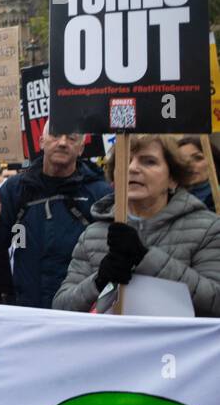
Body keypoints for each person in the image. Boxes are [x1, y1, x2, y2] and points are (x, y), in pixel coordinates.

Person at [53, 135, 220, 318]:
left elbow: (215, 302)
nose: (132, 168)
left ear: (173, 178)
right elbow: (61, 308)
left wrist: (145, 258)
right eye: (126, 161)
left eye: (149, 162)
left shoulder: (208, 229)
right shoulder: (93, 234)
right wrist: (99, 281)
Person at [0, 123, 112, 309]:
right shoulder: (16, 190)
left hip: (79, 311)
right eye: (56, 135)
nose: (63, 143)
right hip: (26, 308)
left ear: (81, 148)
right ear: (41, 141)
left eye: (72, 138)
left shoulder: (99, 193)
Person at [177, 135, 219, 211]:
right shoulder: (169, 201)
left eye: (198, 158)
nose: (190, 165)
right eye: (182, 161)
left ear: (214, 161)